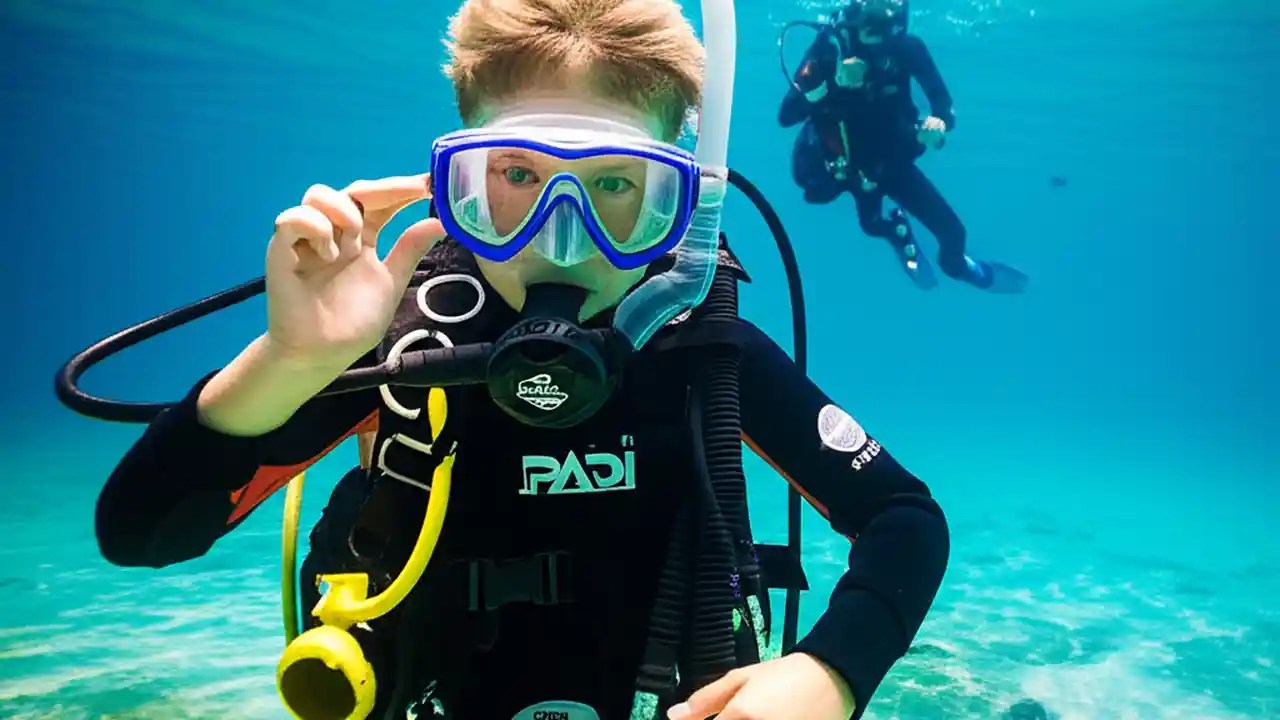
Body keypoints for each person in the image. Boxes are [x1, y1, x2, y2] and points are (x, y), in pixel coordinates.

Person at [89, 0, 950, 718]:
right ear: (455, 188)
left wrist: (830, 673)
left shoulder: (695, 344)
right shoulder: (405, 342)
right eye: (516, 178)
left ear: (682, 209)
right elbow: (138, 533)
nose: (563, 242)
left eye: (617, 186)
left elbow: (903, 517)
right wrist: (290, 361)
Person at [779, 0, 1027, 293]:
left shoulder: (908, 48)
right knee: (871, 225)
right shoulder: (830, 47)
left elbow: (943, 106)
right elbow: (787, 115)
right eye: (873, 28)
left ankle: (966, 269)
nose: (880, 40)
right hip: (845, 164)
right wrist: (833, 83)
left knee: (953, 233)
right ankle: (898, 234)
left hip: (891, 161)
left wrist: (937, 125)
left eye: (888, 26)